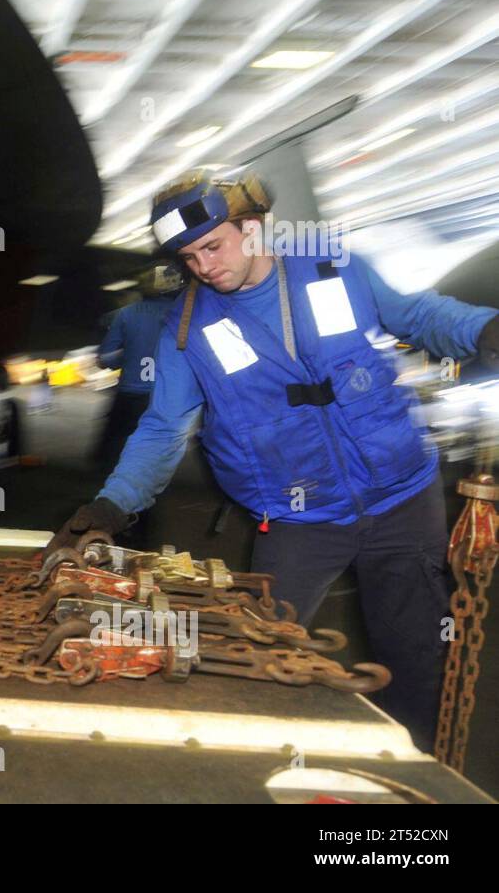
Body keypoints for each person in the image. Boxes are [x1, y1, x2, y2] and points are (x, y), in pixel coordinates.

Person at [48, 169, 499, 748]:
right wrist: (115, 503)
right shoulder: (188, 333)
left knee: (417, 658)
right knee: (250, 652)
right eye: (189, 257)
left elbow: (419, 316)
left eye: (213, 246)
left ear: (253, 228)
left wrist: (482, 328)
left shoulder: (335, 269)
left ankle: (407, 775)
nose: (204, 267)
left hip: (402, 500)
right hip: (299, 521)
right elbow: (163, 428)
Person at [93, 265, 181, 468]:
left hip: (130, 393)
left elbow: (104, 359)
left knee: (113, 452)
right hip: (165, 396)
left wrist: (128, 356)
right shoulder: (182, 316)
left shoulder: (126, 314)